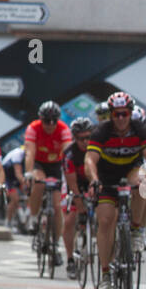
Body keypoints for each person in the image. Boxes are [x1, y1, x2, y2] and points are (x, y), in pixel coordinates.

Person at [84, 91, 146, 289]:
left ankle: (136, 230)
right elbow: (90, 160)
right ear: (111, 114)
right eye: (116, 114)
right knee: (106, 221)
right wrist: (94, 179)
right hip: (107, 177)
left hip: (131, 171)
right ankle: (106, 274)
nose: (120, 118)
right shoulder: (101, 131)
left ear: (130, 113)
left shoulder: (139, 128)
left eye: (124, 114)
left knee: (144, 180)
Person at [24, 101, 73, 267]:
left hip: (56, 165)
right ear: (41, 119)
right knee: (38, 184)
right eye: (47, 121)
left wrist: (68, 175)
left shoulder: (63, 129)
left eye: (54, 121)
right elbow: (29, 152)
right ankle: (32, 217)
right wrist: (28, 173)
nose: (50, 125)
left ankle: (55, 242)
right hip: (39, 163)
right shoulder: (33, 128)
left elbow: (67, 153)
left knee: (57, 206)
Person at [60, 117, 95, 279]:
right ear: (75, 138)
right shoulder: (69, 154)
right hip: (76, 185)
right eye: (81, 138)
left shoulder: (96, 149)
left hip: (94, 183)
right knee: (69, 222)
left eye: (88, 137)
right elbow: (71, 183)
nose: (86, 141)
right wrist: (80, 203)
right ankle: (70, 260)